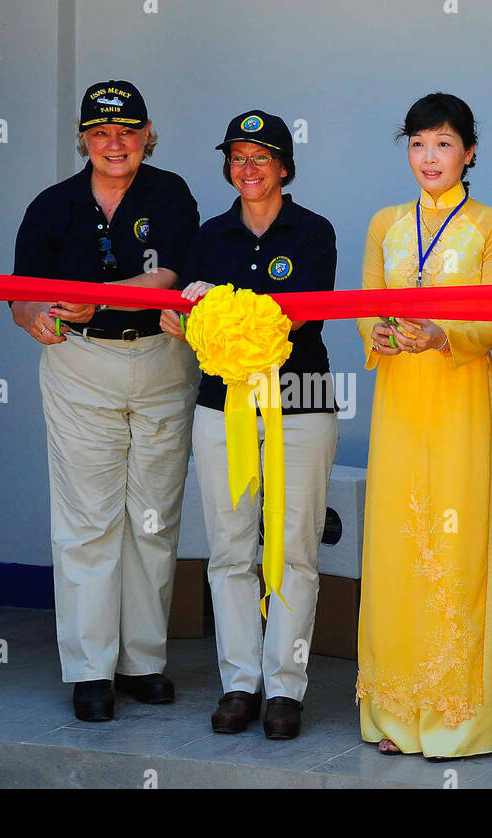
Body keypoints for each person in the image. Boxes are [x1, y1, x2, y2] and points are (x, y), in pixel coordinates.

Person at [12, 80, 200, 722]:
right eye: (100, 132)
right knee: (87, 521)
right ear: (84, 139)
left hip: (160, 361)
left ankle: (142, 662)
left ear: (148, 134)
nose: (114, 144)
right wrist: (34, 315)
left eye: (127, 131)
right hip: (80, 364)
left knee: (152, 517)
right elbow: (21, 292)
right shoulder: (53, 204)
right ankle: (90, 669)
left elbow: (167, 276)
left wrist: (103, 297)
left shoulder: (170, 193)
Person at [160, 110, 338, 740]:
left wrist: (220, 311)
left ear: (285, 167)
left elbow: (293, 325)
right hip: (222, 403)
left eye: (261, 157)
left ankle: (285, 688)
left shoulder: (314, 232)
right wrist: (191, 318)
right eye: (237, 157)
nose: (249, 168)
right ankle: (240, 682)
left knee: (294, 549)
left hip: (300, 399)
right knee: (231, 546)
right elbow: (185, 321)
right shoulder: (209, 236)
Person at [355, 93, 492, 760]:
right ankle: (395, 713)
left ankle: (455, 718)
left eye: (444, 143)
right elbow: (365, 304)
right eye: (418, 143)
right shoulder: (385, 223)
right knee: (395, 550)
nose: (429, 157)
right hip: (399, 399)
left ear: (469, 152)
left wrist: (442, 334)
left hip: (459, 399)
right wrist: (382, 337)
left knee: (456, 550)